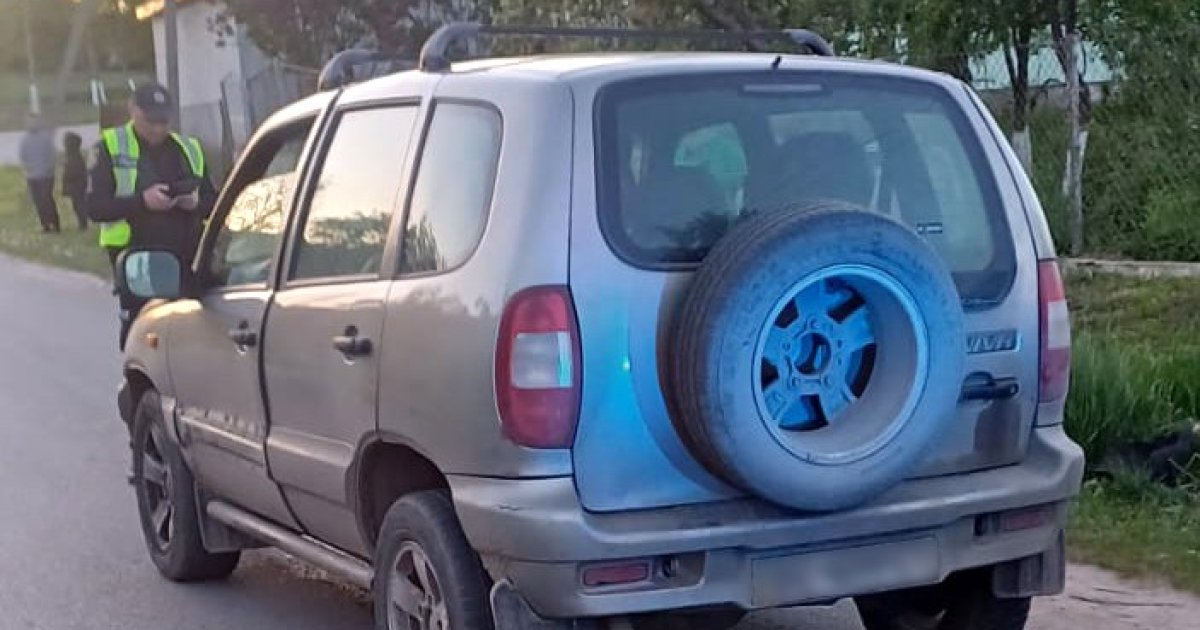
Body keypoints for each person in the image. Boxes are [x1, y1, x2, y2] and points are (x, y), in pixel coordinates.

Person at [87, 82, 216, 350]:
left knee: (191, 340)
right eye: (150, 121)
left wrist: (195, 203)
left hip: (186, 260)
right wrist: (142, 201)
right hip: (137, 261)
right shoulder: (109, 147)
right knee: (144, 341)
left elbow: (215, 201)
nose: (158, 129)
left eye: (164, 121)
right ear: (133, 110)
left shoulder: (189, 148)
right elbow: (95, 207)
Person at [18, 114, 61, 233]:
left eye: (33, 122)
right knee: (38, 201)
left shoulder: (45, 138)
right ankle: (45, 225)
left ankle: (55, 223)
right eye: (29, 122)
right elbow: (23, 156)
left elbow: (53, 155)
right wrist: (27, 168)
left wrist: (49, 167)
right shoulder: (25, 140)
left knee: (46, 199)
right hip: (32, 176)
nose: (31, 124)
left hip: (46, 175)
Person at [61, 131, 89, 231]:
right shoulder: (75, 156)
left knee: (78, 205)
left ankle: (83, 223)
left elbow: (71, 173)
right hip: (77, 185)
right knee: (78, 204)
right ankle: (82, 222)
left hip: (76, 185)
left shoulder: (74, 158)